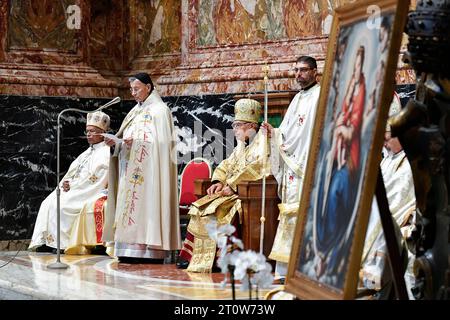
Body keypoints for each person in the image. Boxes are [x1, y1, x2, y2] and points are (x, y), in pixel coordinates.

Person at [177, 98, 270, 272]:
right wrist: (218, 181)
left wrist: (233, 186)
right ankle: (190, 256)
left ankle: (223, 258)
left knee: (218, 212)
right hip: (230, 191)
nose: (234, 130)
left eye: (238, 125)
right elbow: (226, 164)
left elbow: (258, 169)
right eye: (234, 125)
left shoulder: (263, 145)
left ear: (252, 126)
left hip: (245, 194)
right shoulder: (241, 146)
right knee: (199, 208)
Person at [102, 72, 181, 263]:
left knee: (146, 207)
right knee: (128, 205)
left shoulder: (160, 111)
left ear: (148, 87)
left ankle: (149, 251)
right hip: (128, 167)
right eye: (131, 90)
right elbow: (126, 136)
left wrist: (135, 143)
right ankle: (127, 249)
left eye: (136, 89)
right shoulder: (135, 111)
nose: (133, 93)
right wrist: (118, 144)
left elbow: (161, 146)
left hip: (150, 173)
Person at [261, 56, 321, 280]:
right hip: (292, 165)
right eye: (295, 70)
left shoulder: (320, 97)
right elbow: (287, 131)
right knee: (289, 216)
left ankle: (306, 269)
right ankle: (285, 269)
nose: (298, 74)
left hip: (308, 165)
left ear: (315, 71)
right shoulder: (297, 98)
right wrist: (273, 133)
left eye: (303, 70)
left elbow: (311, 133)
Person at [312, 46, 366, 286]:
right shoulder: (348, 88)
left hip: (350, 156)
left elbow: (355, 122)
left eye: (358, 64)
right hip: (336, 153)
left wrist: (345, 129)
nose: (355, 69)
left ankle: (331, 253)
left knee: (335, 194)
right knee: (322, 195)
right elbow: (341, 115)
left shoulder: (361, 86)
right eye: (353, 65)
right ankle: (321, 252)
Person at [359, 97, 416, 299]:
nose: (384, 141)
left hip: (400, 229)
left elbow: (399, 200)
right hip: (382, 225)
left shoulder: (409, 163)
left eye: (388, 136)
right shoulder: (387, 160)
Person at [29, 111, 111, 253]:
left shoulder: (106, 153)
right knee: (47, 203)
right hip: (75, 188)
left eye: (93, 131)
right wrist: (65, 182)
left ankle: (62, 244)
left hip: (89, 191)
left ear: (103, 133)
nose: (89, 135)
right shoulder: (87, 152)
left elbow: (96, 180)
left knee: (62, 206)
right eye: (87, 131)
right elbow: (72, 172)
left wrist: (72, 186)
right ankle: (47, 241)